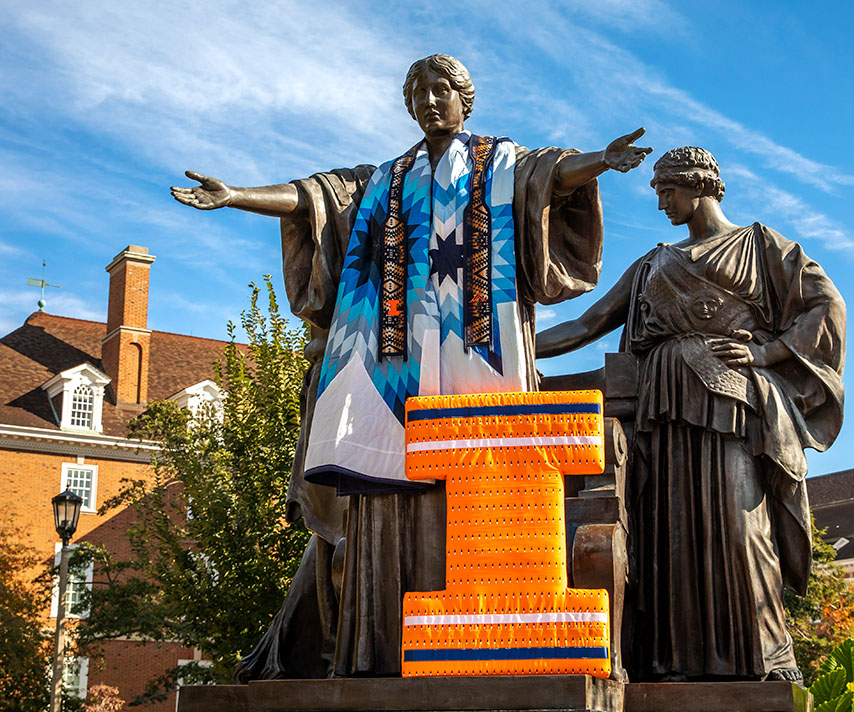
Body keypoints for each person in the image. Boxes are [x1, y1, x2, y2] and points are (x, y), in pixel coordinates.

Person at [171, 54, 651, 678]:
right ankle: (383, 640)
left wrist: (600, 161)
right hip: (394, 366)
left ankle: (496, 634)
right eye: (418, 93)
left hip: (484, 350)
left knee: (490, 484)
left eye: (441, 90)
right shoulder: (385, 180)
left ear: (464, 99)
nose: (429, 102)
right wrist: (236, 195)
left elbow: (552, 176)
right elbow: (314, 199)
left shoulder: (500, 162)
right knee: (389, 480)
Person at [535, 146, 846, 682]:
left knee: (740, 528)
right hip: (661, 411)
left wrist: (768, 353)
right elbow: (586, 325)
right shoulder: (653, 263)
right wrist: (514, 346)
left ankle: (764, 659)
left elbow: (827, 304)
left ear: (699, 185)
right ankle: (673, 664)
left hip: (730, 405)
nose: (661, 204)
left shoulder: (760, 246)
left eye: (667, 191)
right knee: (669, 536)